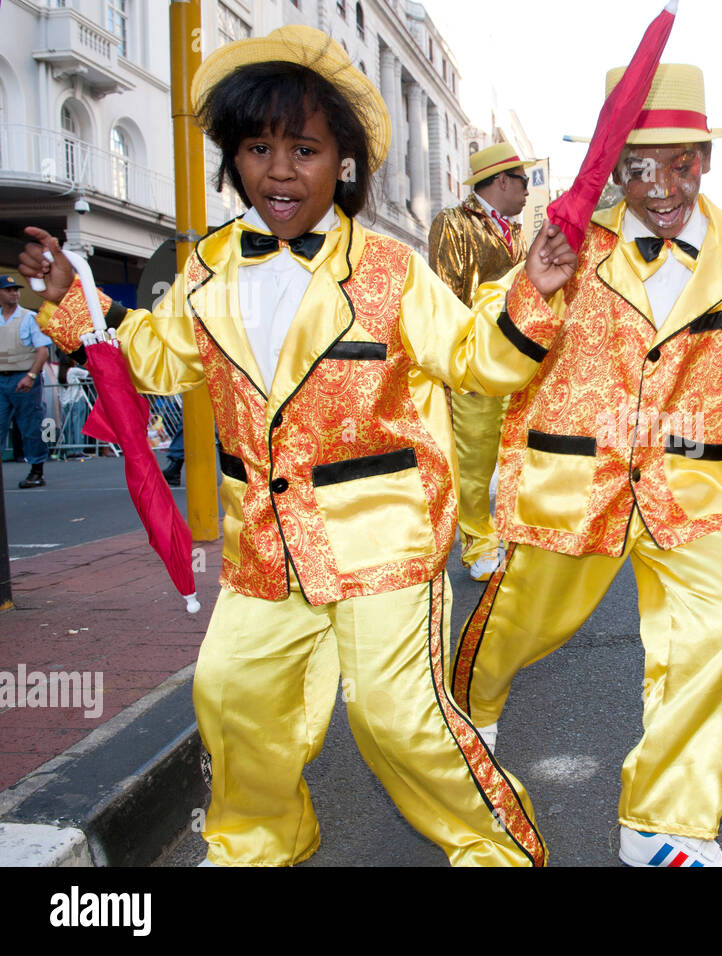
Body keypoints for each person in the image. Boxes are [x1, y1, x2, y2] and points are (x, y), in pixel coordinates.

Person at [19, 25, 575, 867]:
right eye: (258, 149)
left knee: (397, 718)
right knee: (233, 697)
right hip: (264, 544)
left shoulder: (389, 269)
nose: (280, 171)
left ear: (342, 162)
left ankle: (498, 850)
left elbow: (474, 358)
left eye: (304, 150)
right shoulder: (206, 269)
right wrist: (73, 302)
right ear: (233, 159)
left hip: (384, 539)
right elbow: (154, 360)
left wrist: (530, 294)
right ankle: (256, 846)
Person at [450, 63, 722, 867]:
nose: (662, 186)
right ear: (615, 167)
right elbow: (485, 356)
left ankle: (662, 824)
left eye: (681, 163)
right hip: (574, 483)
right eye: (641, 166)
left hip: (691, 487)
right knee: (518, 629)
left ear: (706, 160)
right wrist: (535, 289)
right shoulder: (568, 240)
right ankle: (467, 712)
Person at [428, 141, 535, 581]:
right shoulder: (452, 222)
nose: (527, 191)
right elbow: (444, 296)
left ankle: (510, 536)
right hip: (472, 366)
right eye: (523, 181)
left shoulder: (517, 234)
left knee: (517, 456)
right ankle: (478, 546)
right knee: (473, 465)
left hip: (517, 364)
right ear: (502, 180)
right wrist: (457, 364)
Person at [0, 275, 52, 487]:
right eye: (8, 289)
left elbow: (43, 351)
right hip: (1, 379)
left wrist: (31, 376)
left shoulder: (29, 318)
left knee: (30, 426)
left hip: (24, 378)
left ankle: (37, 470)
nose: (14, 293)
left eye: (16, 289)